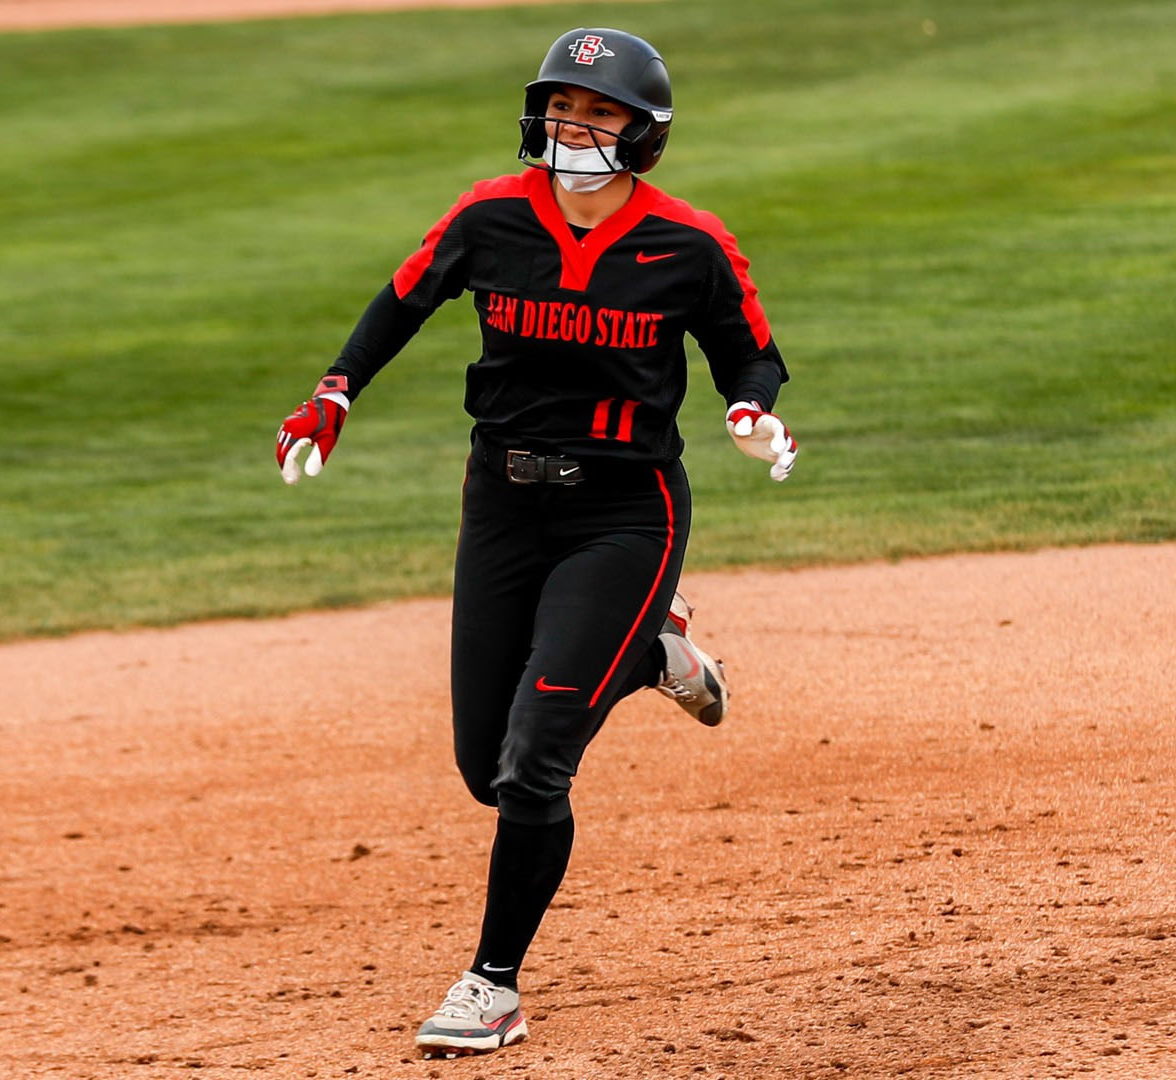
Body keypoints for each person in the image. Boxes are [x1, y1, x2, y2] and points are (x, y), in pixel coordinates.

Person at [273, 26, 799, 1058]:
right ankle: (653, 652)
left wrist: (752, 413)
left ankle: (492, 986)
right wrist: (334, 392)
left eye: (598, 113)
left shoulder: (687, 244)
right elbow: (402, 300)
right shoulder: (490, 216)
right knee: (485, 767)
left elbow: (753, 353)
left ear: (642, 134)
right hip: (502, 506)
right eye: (562, 107)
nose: (574, 127)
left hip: (625, 515)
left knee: (534, 767)